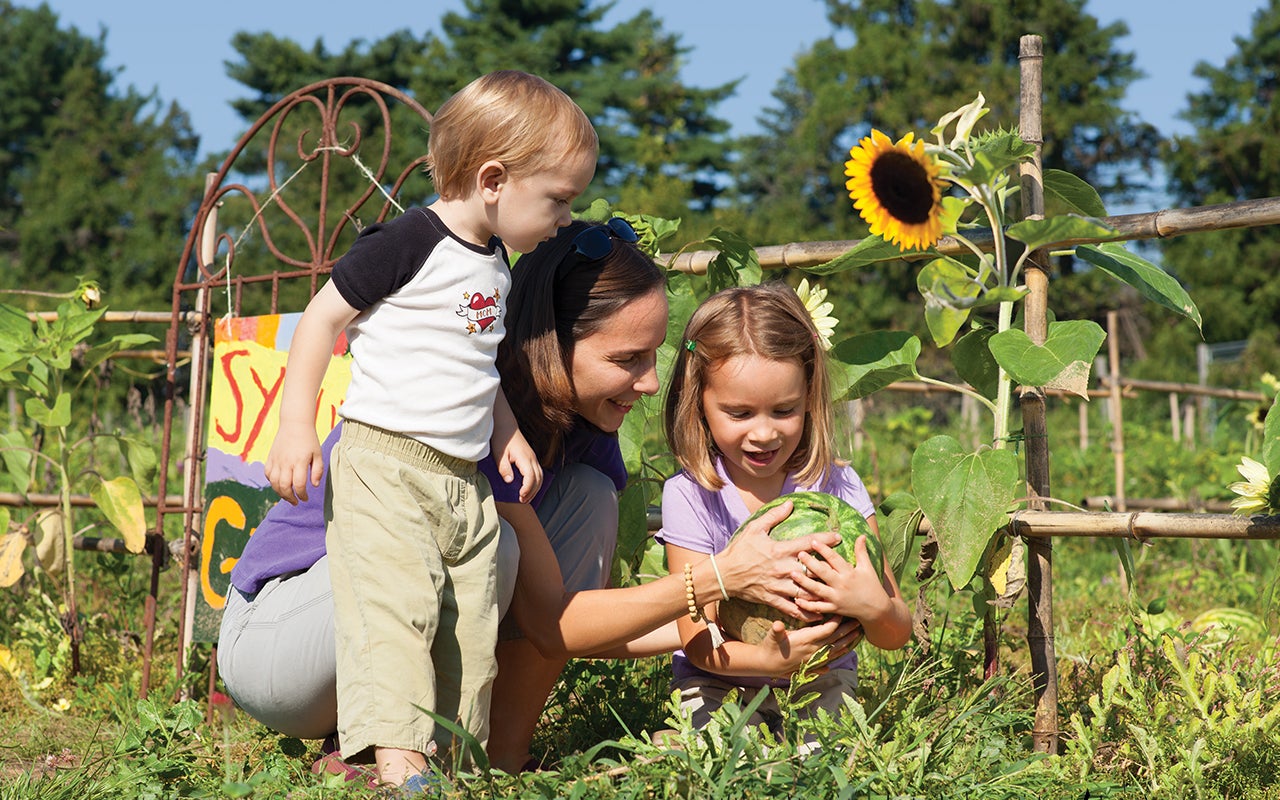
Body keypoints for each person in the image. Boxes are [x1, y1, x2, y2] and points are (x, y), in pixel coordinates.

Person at [219, 221, 850, 780]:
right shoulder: (472, 414)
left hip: (359, 627)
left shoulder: (583, 432)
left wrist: (732, 633)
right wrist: (718, 580)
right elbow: (554, 620)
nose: (651, 381)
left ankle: (499, 758)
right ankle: (393, 756)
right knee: (497, 544)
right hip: (282, 641)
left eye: (654, 355)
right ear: (552, 344)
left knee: (589, 498)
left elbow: (572, 623)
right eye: (626, 359)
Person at [259, 69, 596, 788]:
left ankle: (451, 762)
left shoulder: (495, 262)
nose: (565, 219)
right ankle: (399, 766)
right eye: (559, 201)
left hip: (459, 479)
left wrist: (504, 430)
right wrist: (294, 426)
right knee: (398, 612)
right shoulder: (407, 241)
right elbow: (321, 320)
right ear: (495, 178)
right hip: (383, 466)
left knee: (469, 625)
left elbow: (475, 365)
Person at [658, 282, 912, 740]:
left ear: (810, 396)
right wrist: (770, 661)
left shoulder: (838, 487)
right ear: (698, 402)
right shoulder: (690, 495)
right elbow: (697, 642)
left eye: (784, 410)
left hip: (823, 679)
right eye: (739, 413)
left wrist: (872, 607)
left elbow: (896, 631)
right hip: (720, 680)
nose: (764, 433)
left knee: (826, 763)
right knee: (713, 753)